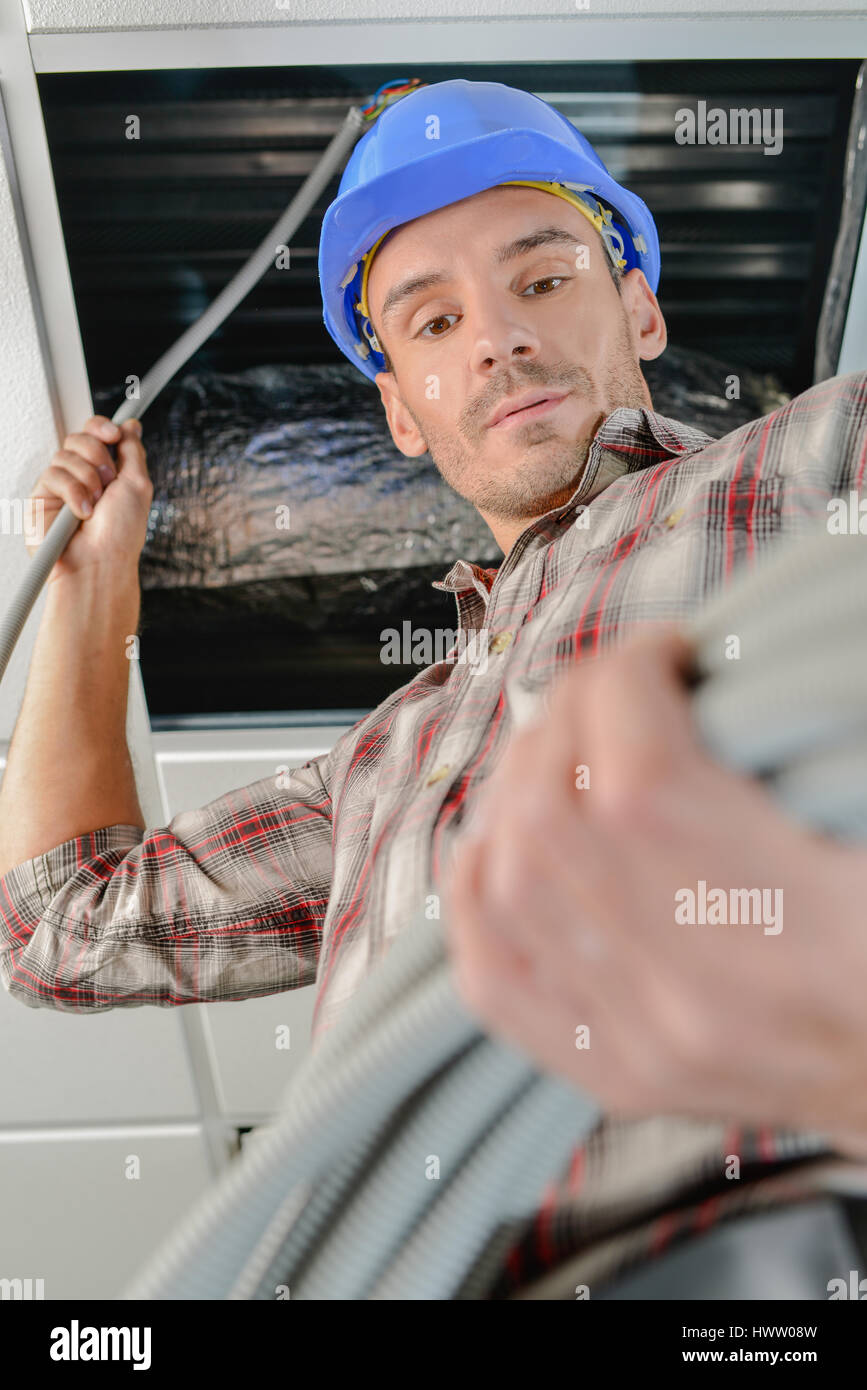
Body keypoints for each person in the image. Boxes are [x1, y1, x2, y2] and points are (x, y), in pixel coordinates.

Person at [1, 77, 866, 1300]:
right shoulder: (380, 764)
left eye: (543, 279)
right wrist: (96, 589)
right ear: (401, 413)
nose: (498, 338)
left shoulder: (817, 463)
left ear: (641, 308)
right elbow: (60, 924)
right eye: (432, 322)